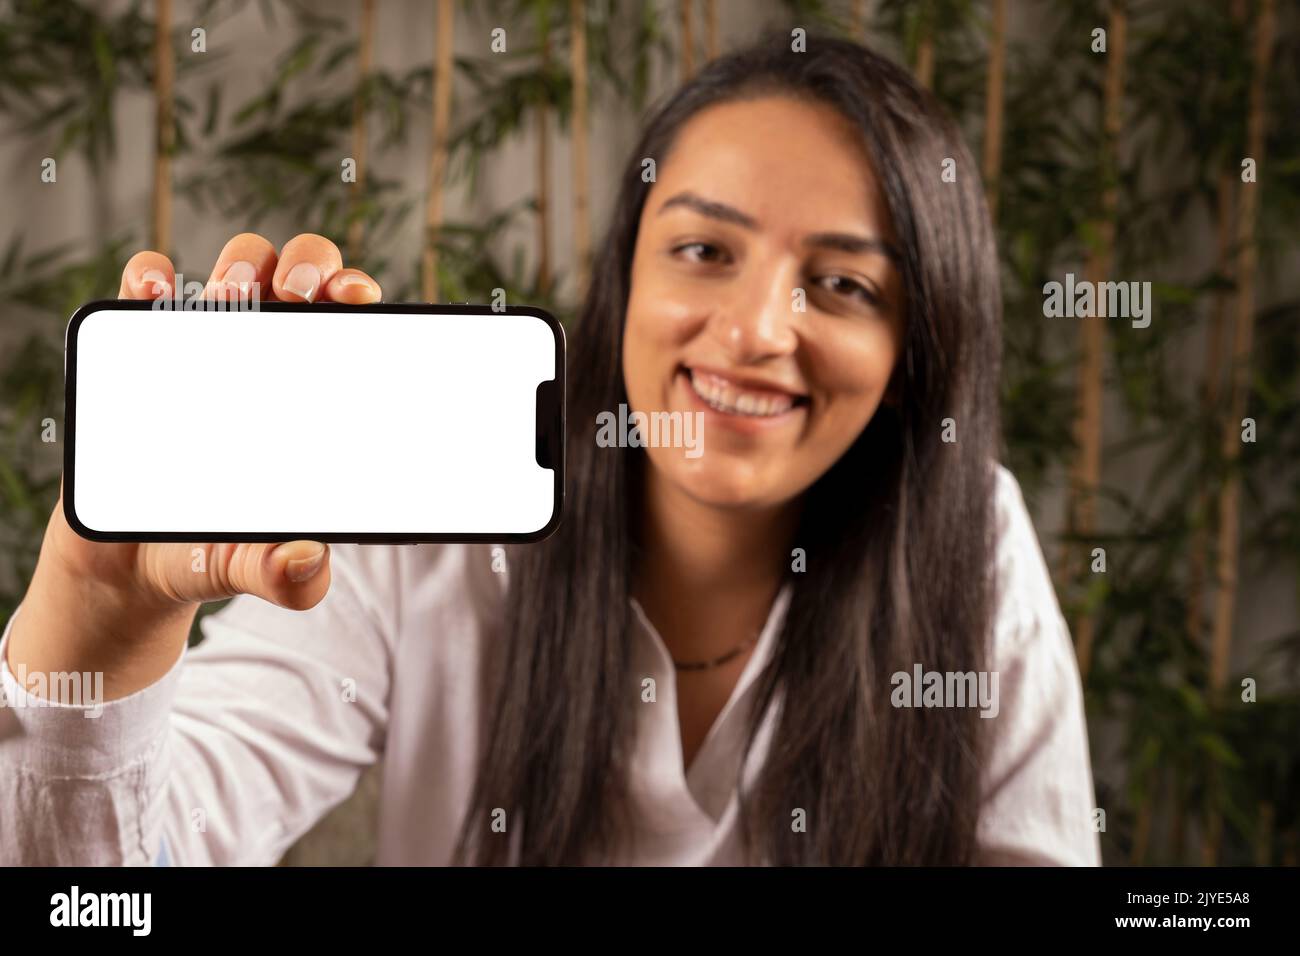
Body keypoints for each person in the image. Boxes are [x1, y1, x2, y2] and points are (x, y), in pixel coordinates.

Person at [0, 33, 1099, 866]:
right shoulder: (438, 514)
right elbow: (112, 872)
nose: (761, 329)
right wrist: (103, 630)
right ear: (626, 278)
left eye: (844, 283)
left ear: (913, 345)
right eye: (704, 248)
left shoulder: (966, 532)